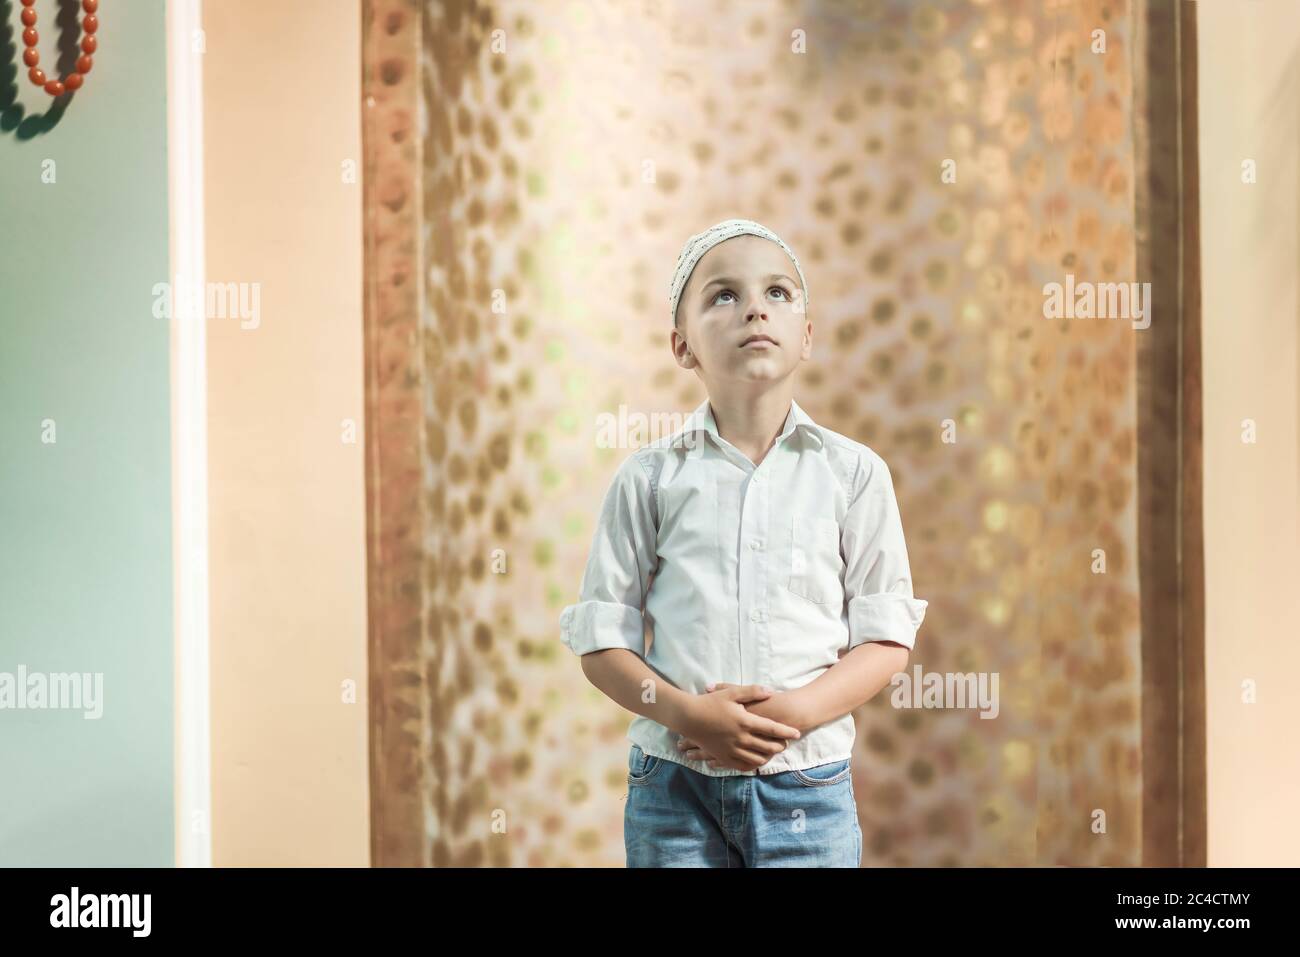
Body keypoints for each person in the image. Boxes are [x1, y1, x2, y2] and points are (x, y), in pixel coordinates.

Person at [559, 218, 928, 867]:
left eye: (778, 292)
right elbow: (601, 641)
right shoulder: (649, 479)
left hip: (807, 788)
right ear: (683, 346)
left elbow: (886, 639)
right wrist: (689, 716)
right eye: (723, 295)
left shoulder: (855, 475)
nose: (755, 308)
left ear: (806, 335)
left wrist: (794, 713)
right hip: (675, 787)